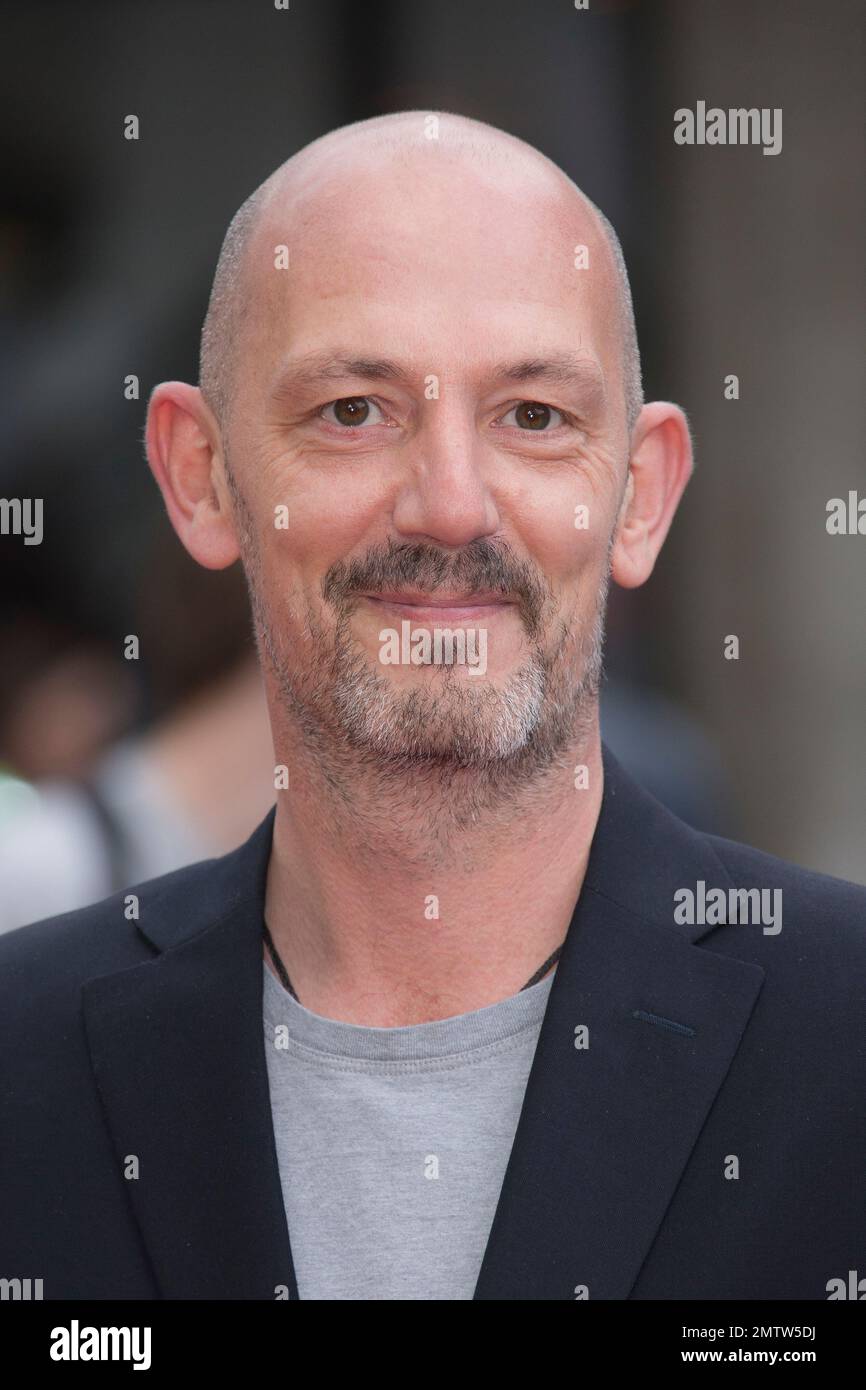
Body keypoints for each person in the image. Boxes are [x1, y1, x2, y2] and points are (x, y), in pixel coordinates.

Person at [1, 111, 862, 1301]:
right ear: (199, 475)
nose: (451, 506)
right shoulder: (21, 1067)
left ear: (640, 495)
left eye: (533, 417)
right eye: (354, 410)